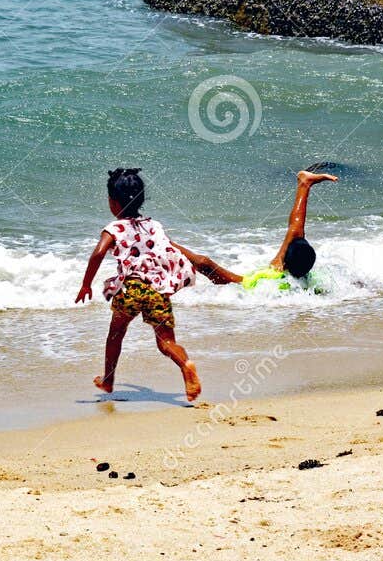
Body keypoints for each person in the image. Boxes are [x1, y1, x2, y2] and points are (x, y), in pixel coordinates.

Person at [75, 167, 201, 401]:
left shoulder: (114, 228)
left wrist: (86, 284)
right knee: (166, 342)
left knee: (116, 335)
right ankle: (186, 365)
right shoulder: (154, 226)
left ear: (112, 203)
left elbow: (98, 253)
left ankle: (108, 379)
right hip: (157, 290)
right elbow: (169, 252)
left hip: (131, 288)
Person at [173, 168, 339, 291]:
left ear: (283, 264)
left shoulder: (268, 281)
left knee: (204, 263)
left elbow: (206, 265)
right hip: (282, 278)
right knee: (296, 235)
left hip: (247, 286)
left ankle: (160, 241)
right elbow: (297, 231)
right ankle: (305, 183)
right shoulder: (314, 282)